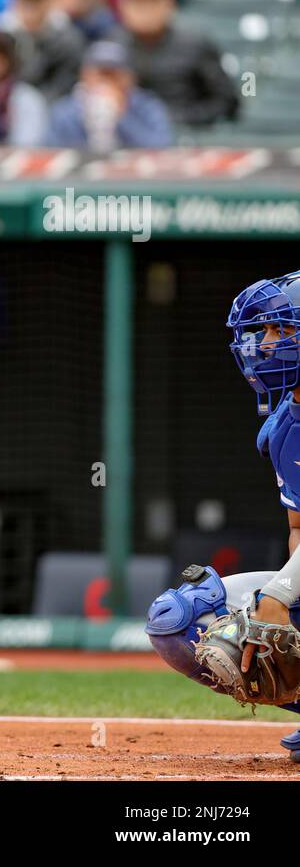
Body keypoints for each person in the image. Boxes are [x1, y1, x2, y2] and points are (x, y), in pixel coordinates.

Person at [146, 271, 300, 760]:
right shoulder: (284, 427)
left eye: (284, 330)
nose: (267, 345)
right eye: (267, 331)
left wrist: (278, 594)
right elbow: (299, 531)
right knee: (179, 620)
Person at [114, 0, 238, 129]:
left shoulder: (195, 44)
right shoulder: (111, 47)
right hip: (126, 137)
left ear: (168, 2)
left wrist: (183, 118)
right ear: (123, 5)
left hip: (187, 137)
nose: (144, 8)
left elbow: (228, 103)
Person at [45, 39, 173, 149]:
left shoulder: (147, 105)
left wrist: (121, 116)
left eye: (113, 74)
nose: (106, 81)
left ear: (130, 77)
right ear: (84, 75)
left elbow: (161, 146)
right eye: (100, 74)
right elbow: (53, 150)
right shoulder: (65, 110)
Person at [0, 0, 84, 103]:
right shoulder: (4, 34)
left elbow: (66, 84)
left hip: (52, 107)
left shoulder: (66, 36)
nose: (29, 5)